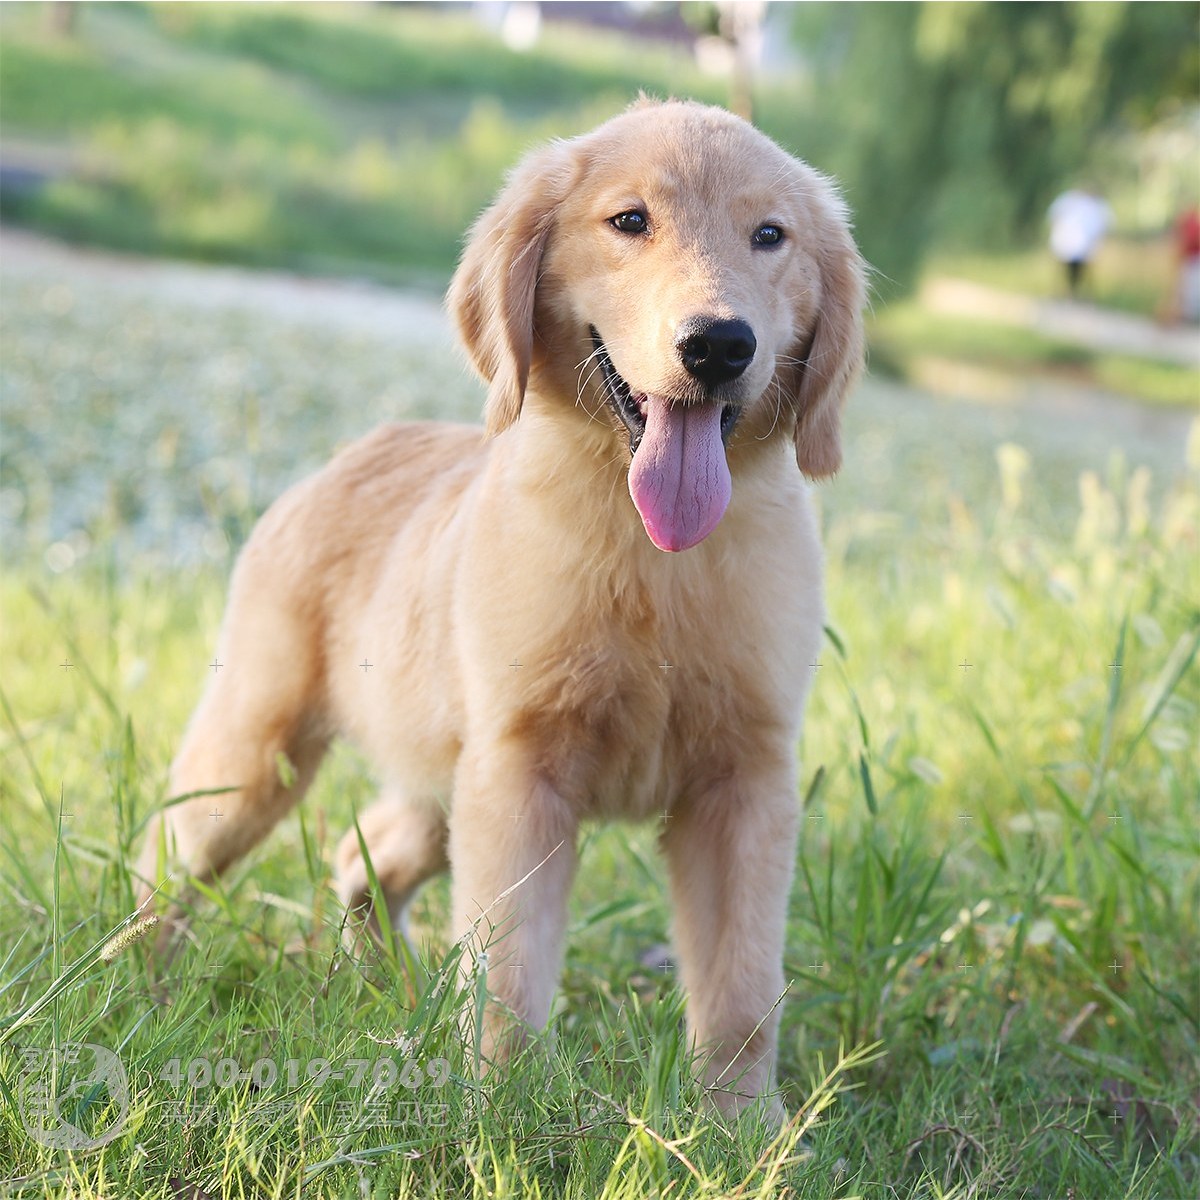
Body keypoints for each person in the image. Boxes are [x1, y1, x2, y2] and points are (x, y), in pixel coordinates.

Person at [1047, 187, 1111, 298]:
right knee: (1069, 269)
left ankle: (1076, 294)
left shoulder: (1091, 205)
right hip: (1071, 243)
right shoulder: (1070, 201)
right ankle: (1069, 293)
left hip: (1081, 244)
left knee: (1080, 271)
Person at [1173, 205, 1200, 323]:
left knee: (1190, 289)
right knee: (1184, 288)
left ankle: (1187, 315)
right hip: (1188, 259)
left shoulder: (1192, 225)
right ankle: (1182, 315)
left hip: (1193, 260)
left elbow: (1190, 242)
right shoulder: (1188, 225)